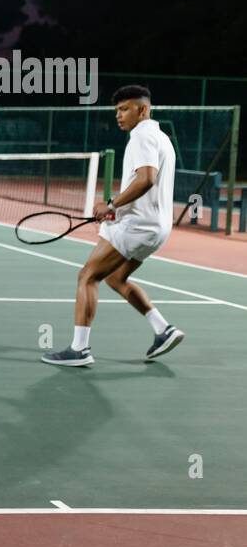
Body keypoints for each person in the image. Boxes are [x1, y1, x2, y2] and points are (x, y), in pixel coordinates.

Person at [42, 85, 183, 367]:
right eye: (117, 110)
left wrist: (112, 204)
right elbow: (146, 186)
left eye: (124, 109)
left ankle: (79, 349)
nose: (118, 115)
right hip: (156, 227)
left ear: (142, 110)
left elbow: (146, 179)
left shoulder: (141, 136)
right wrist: (117, 211)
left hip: (138, 227)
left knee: (87, 277)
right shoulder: (161, 137)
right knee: (115, 278)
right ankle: (163, 329)